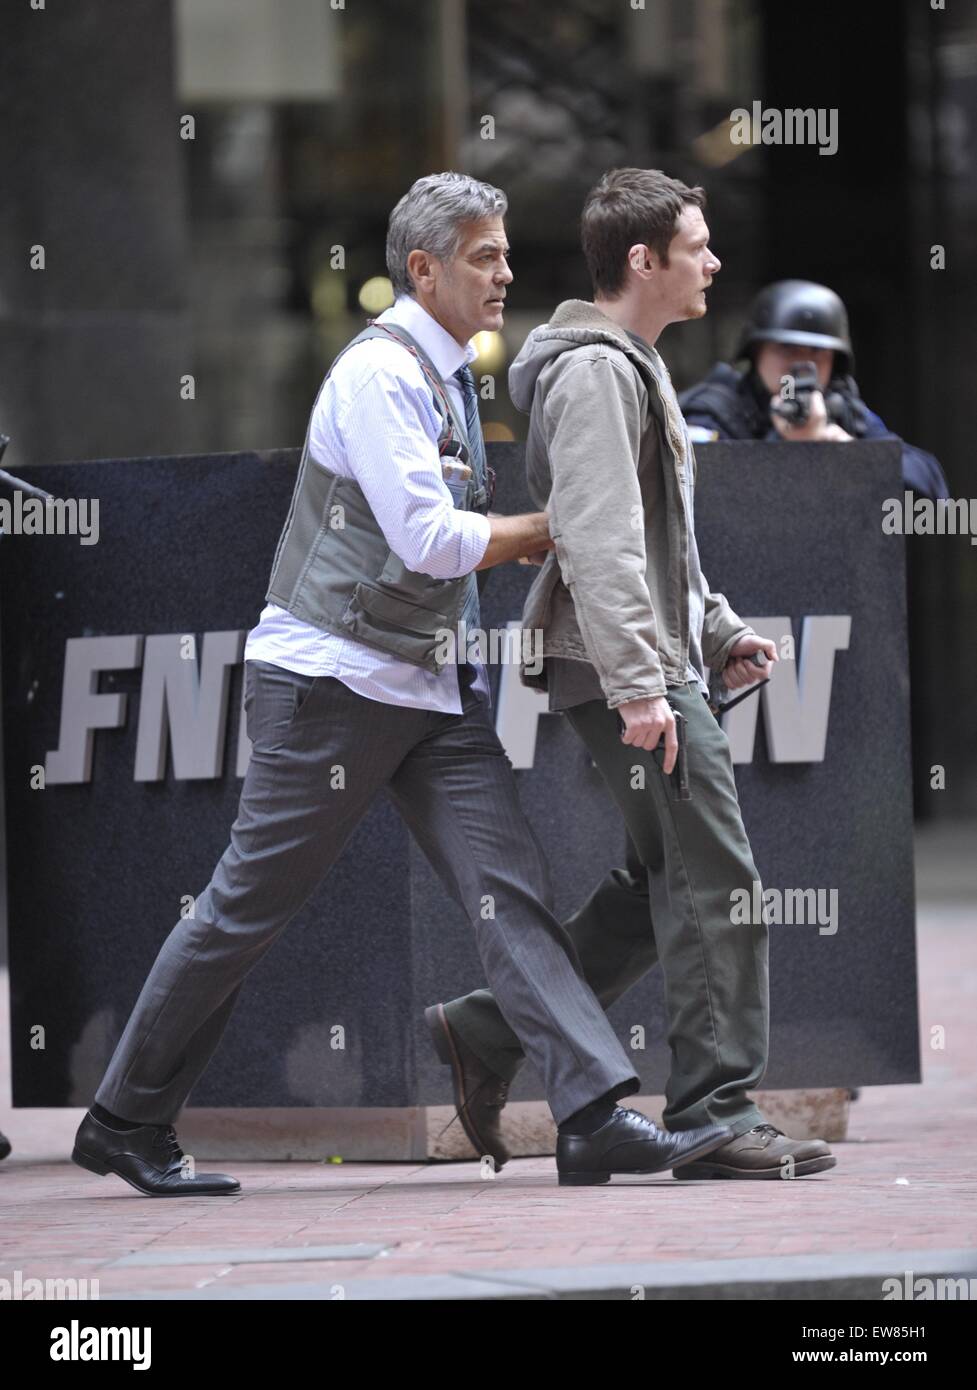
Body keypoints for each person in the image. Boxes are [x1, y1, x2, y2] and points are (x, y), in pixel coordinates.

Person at [70, 171, 730, 1197]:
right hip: (327, 687)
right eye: (482, 256)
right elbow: (427, 542)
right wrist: (559, 527)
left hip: (424, 694)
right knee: (245, 907)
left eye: (507, 253)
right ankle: (122, 1117)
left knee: (507, 887)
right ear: (420, 270)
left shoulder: (452, 375)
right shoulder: (377, 376)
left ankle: (592, 1113)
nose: (505, 272)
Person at [426, 169, 837, 1181]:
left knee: (657, 879)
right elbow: (601, 544)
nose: (714, 262)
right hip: (624, 670)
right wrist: (644, 685)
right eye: (696, 246)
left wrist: (714, 628)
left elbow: (658, 551)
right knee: (719, 881)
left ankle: (486, 1032)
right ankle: (713, 1111)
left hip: (638, 656)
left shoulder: (627, 366)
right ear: (642, 261)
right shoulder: (596, 374)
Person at [679, 279, 949, 500]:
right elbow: (704, 502)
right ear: (756, 350)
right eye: (787, 349)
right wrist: (788, 446)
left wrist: (849, 452)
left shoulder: (841, 410)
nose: (803, 364)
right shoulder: (717, 410)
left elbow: (930, 489)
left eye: (817, 352)